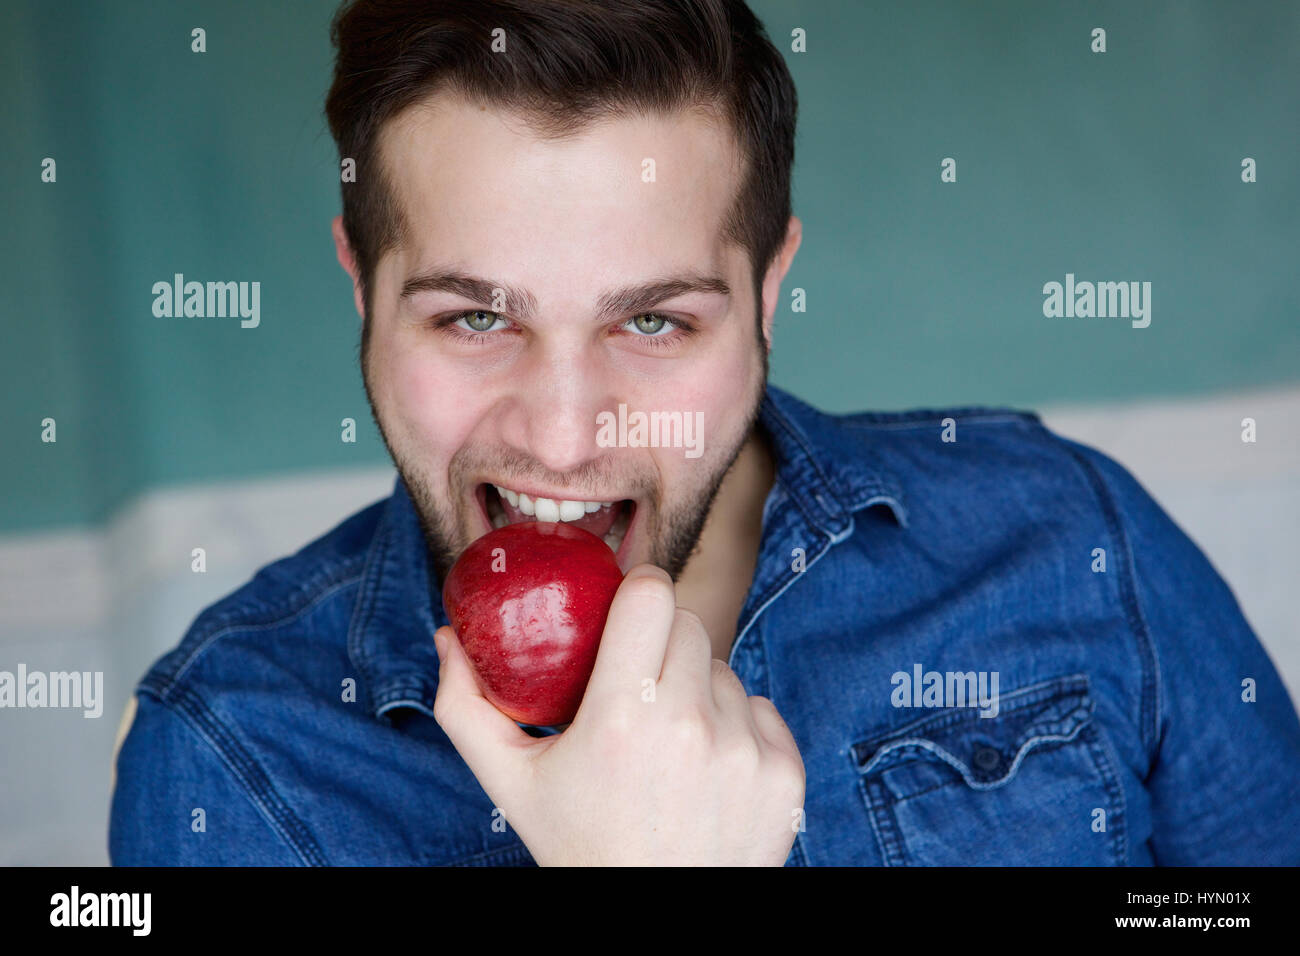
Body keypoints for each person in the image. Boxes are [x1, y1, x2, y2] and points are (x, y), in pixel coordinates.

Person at [109, 0, 1300, 866]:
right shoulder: (231, 753)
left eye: (653, 319)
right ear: (362, 290)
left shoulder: (1072, 536)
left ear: (767, 293)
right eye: (475, 316)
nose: (564, 436)